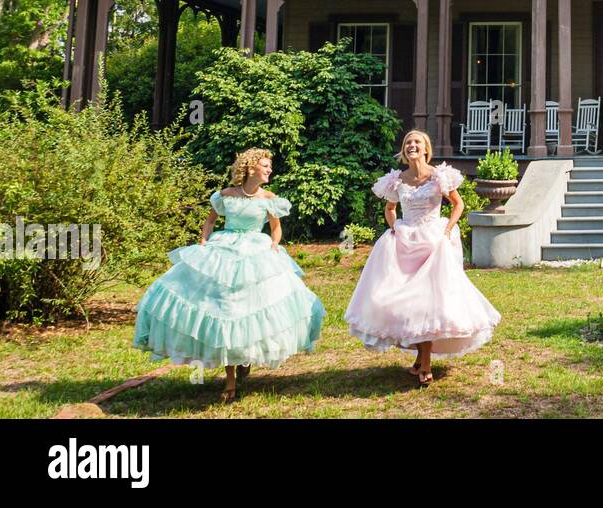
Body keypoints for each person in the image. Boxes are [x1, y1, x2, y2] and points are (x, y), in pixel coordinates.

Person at [132, 149, 326, 403]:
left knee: (252, 306)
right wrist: (203, 241)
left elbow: (276, 229)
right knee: (226, 307)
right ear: (250, 168)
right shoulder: (225, 195)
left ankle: (244, 355)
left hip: (256, 249)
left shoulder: (269, 198)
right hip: (225, 248)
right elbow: (210, 222)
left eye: (270, 166)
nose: (270, 170)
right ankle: (230, 378)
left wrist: (274, 246)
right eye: (265, 166)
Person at [345, 130, 501, 385]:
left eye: (416, 142)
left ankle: (425, 362)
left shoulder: (439, 176)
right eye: (408, 143)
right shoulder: (397, 180)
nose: (411, 146)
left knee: (428, 300)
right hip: (405, 240)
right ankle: (420, 358)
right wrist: (394, 227)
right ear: (404, 150)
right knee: (407, 300)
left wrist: (448, 229)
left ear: (426, 148)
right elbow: (390, 209)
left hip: (433, 240)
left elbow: (458, 204)